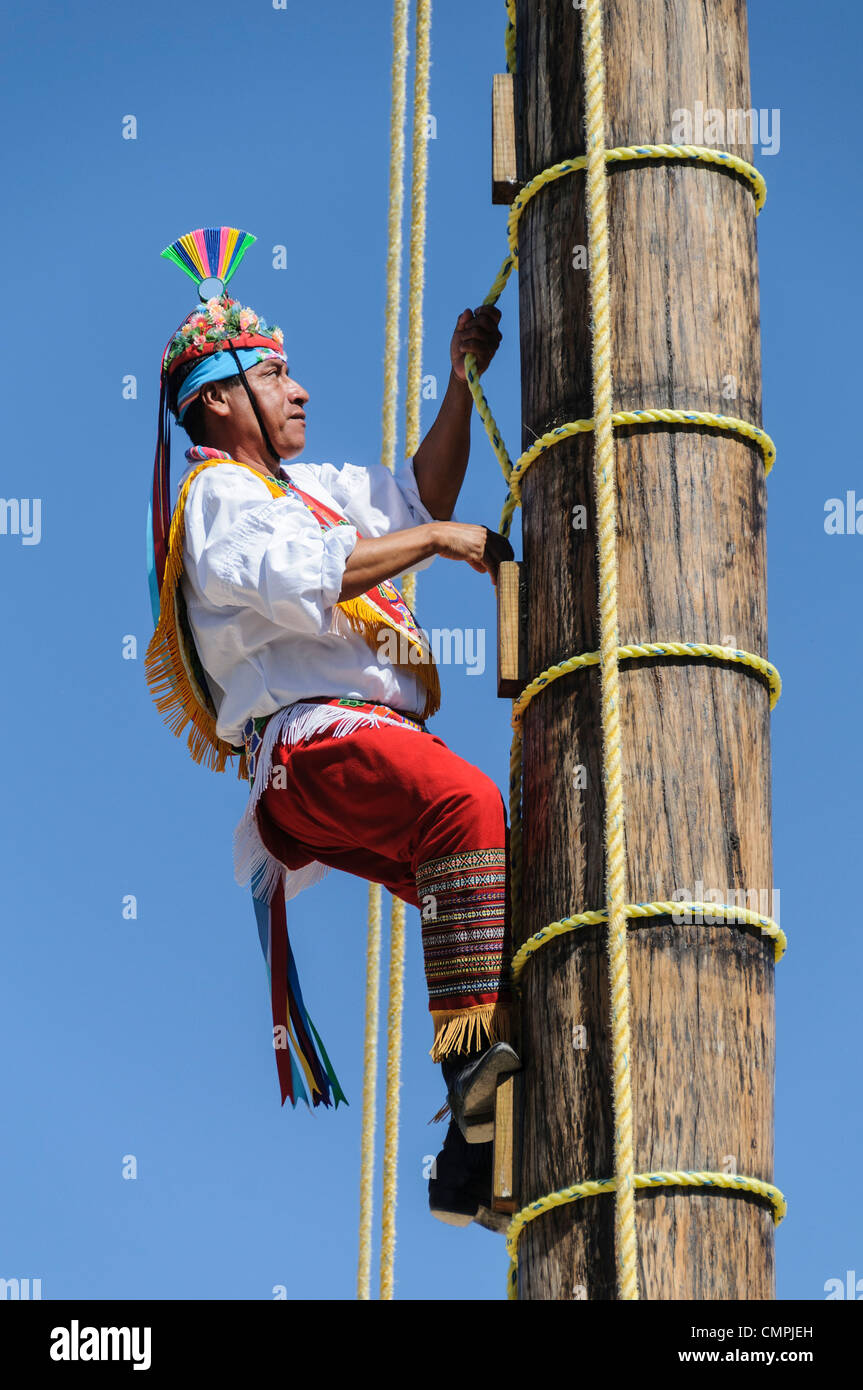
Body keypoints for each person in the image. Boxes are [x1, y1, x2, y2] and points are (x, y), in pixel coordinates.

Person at [145, 226, 520, 1228]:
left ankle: (465, 1159)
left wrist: (456, 381)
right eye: (277, 377)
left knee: (496, 906)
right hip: (312, 747)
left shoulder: (303, 491)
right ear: (221, 400)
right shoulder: (217, 497)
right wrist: (438, 542)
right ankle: (481, 1089)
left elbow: (414, 493)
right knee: (465, 803)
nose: (299, 390)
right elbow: (312, 575)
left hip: (355, 751)